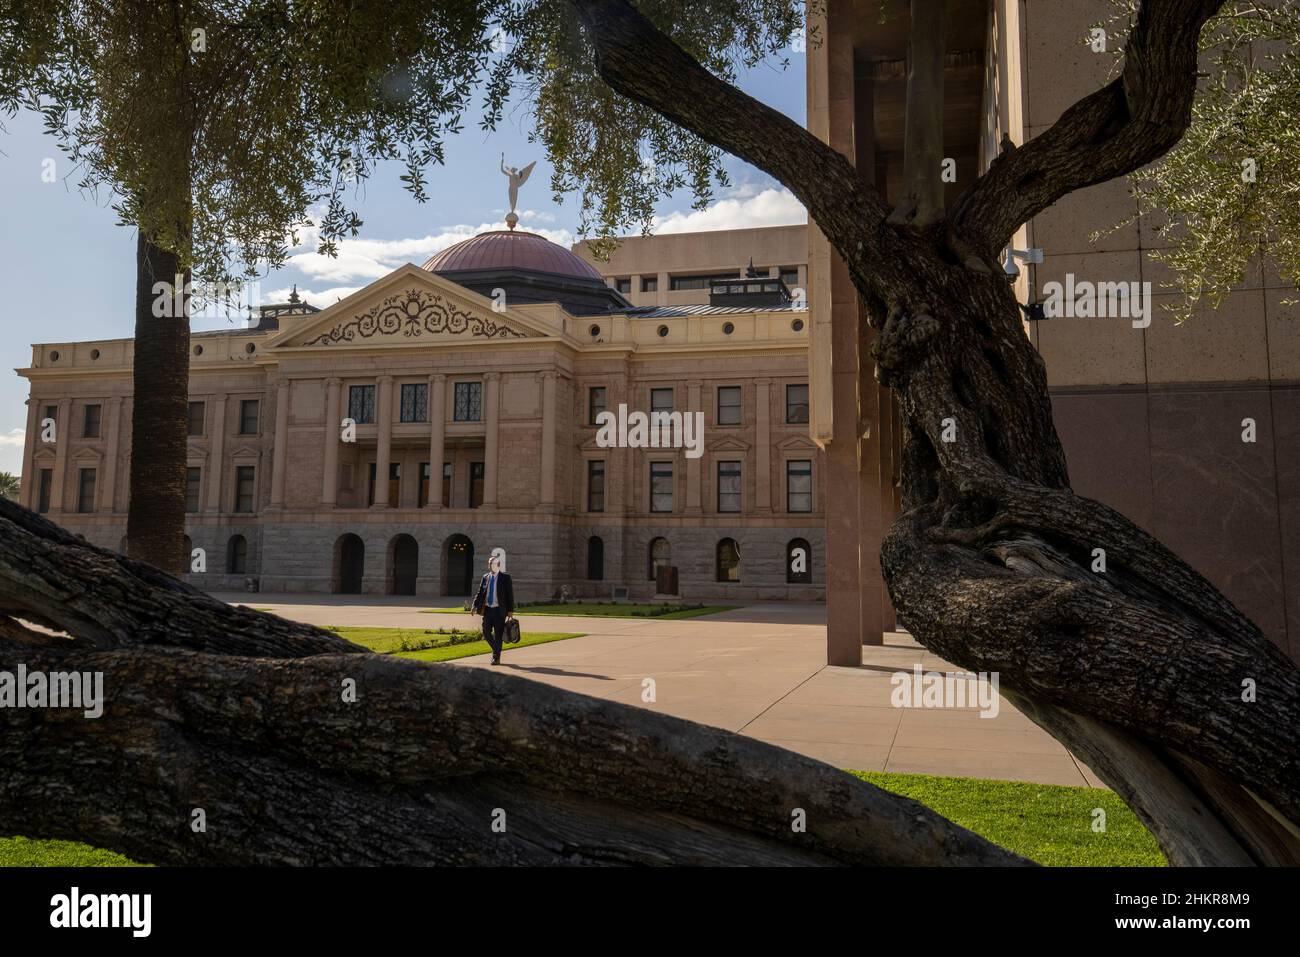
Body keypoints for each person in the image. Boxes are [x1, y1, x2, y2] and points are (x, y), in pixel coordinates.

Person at [471, 551, 514, 665]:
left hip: (499, 610)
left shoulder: (505, 578)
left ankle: (496, 657)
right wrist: (474, 605)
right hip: (488, 609)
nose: (491, 565)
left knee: (498, 633)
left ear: (498, 565)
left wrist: (510, 610)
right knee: (486, 632)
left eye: (494, 563)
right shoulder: (485, 577)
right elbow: (480, 592)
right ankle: (497, 650)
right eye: (490, 563)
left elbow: (510, 595)